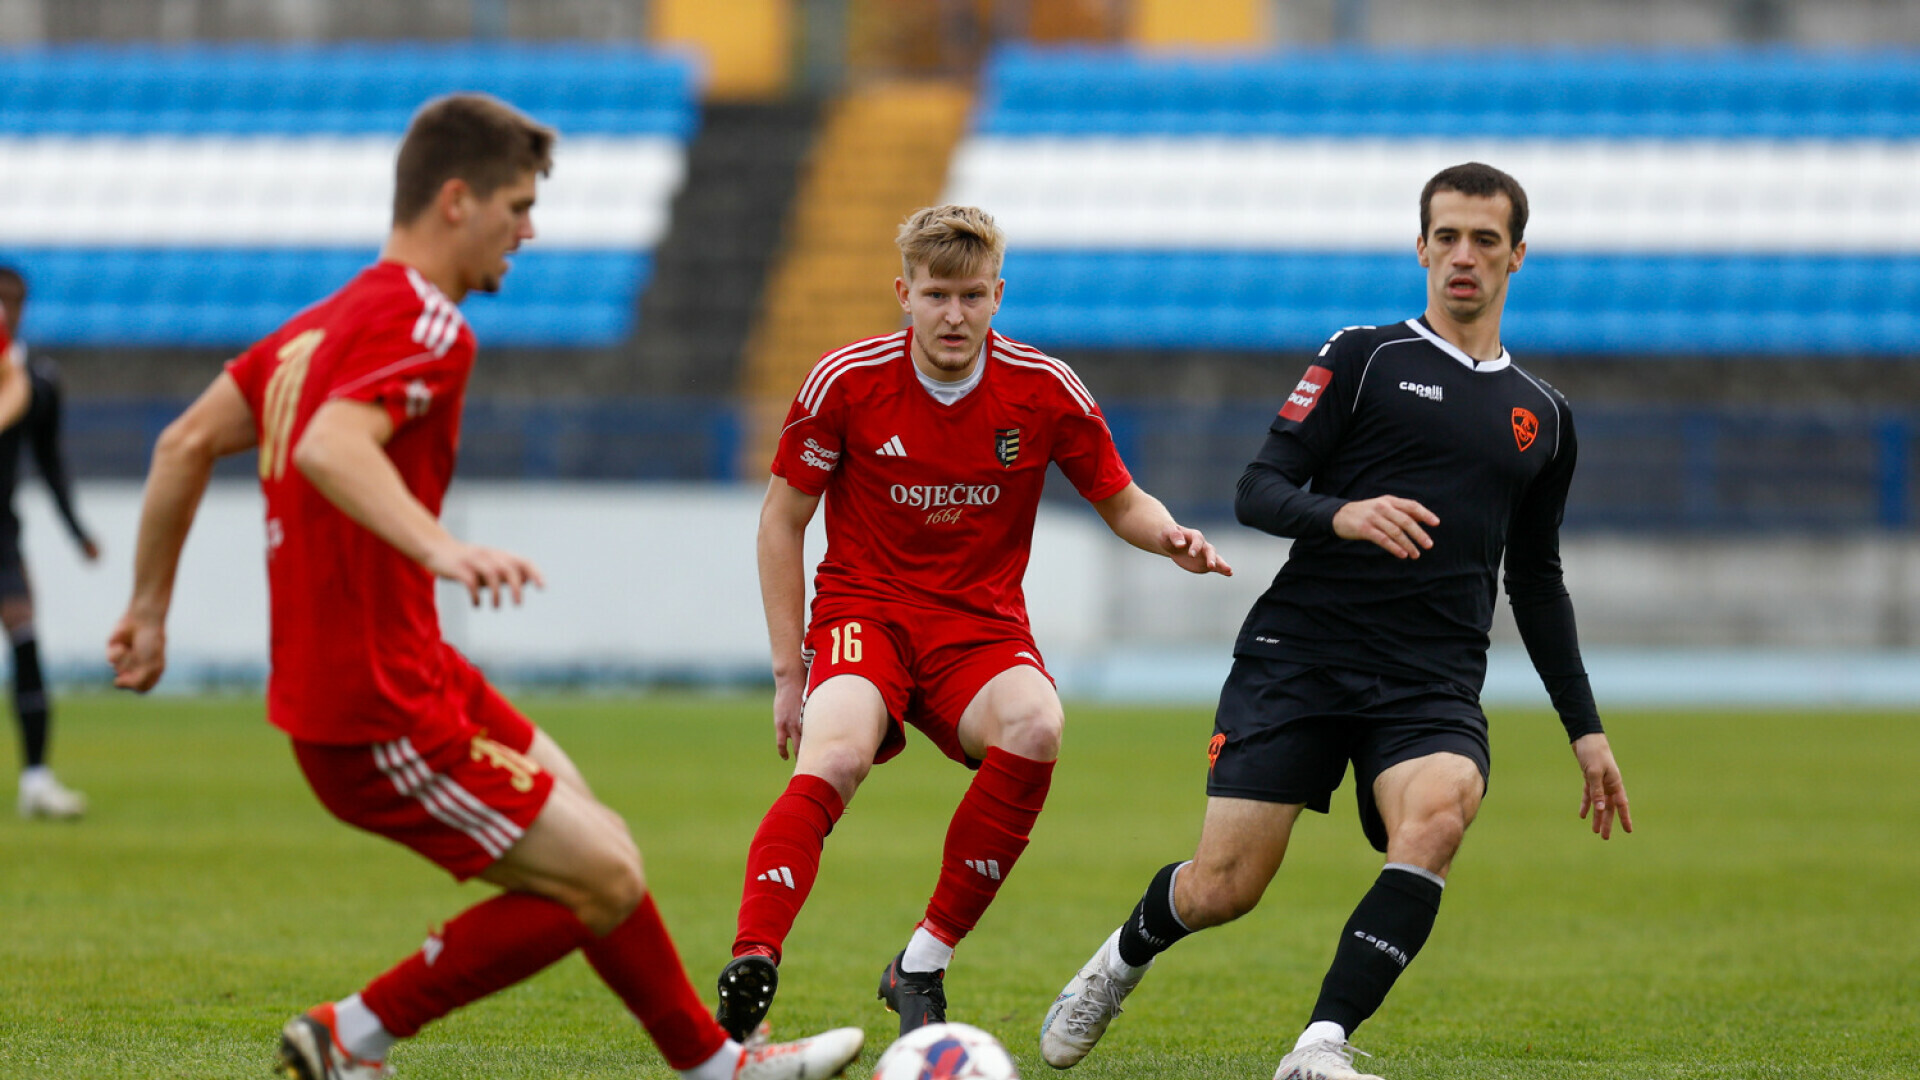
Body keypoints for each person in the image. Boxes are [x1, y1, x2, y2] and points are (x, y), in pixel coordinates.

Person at [105, 94, 862, 1080]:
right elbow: (335, 444)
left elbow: (182, 442)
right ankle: (352, 1036)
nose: (530, 230)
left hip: (417, 670)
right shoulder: (428, 325)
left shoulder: (314, 330)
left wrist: (148, 610)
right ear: (455, 201)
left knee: (603, 845)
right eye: (517, 206)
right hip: (375, 706)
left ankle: (714, 1064)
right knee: (602, 877)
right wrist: (441, 549)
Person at [1037, 163, 1634, 1080]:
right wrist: (1341, 513)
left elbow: (1540, 580)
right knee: (1225, 886)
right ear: (1421, 247)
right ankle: (1121, 959)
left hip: (1430, 679)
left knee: (1438, 816)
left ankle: (1319, 1048)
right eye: (1445, 237)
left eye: (1483, 240)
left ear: (1518, 254)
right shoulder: (1364, 358)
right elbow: (1257, 489)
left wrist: (1585, 731)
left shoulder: (1544, 416)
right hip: (1302, 656)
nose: (1461, 257)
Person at [714, 204, 1233, 1044]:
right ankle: (755, 961)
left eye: (971, 296)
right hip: (864, 611)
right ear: (904, 295)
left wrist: (1170, 537)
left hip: (977, 625)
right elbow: (782, 521)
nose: (953, 315)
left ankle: (921, 961)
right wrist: (788, 670)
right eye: (936, 295)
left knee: (1037, 725)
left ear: (998, 295)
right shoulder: (844, 382)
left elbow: (1122, 499)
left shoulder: (1043, 388)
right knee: (837, 752)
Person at [0, 267, 97, 820]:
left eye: (15, 302)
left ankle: (36, 779)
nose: (7, 312)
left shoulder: (36, 379)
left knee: (25, 635)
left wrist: (76, 530)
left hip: (1, 529)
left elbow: (50, 462)